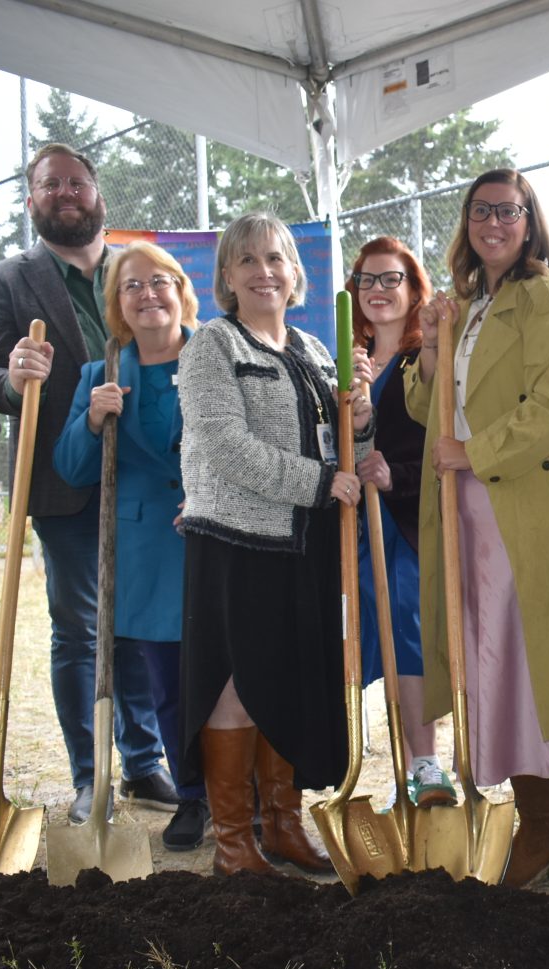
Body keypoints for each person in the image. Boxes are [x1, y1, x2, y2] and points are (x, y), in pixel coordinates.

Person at [406, 169, 549, 888]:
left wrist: (476, 452)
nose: (492, 223)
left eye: (508, 211)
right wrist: (431, 349)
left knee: (521, 660)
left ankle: (547, 818)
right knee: (492, 660)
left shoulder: (548, 296)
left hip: (528, 503)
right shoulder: (469, 304)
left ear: (530, 221)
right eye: (480, 210)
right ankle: (539, 814)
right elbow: (429, 409)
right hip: (475, 506)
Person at [0, 143, 174, 825]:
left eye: (77, 182)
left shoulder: (136, 269)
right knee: (81, 631)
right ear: (31, 199)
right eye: (50, 184)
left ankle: (144, 763)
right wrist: (14, 376)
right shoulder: (8, 279)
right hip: (65, 480)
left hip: (145, 476)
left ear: (98, 194)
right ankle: (92, 776)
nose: (65, 192)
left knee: (138, 625)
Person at [177, 212, 376, 876]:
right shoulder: (213, 345)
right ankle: (234, 842)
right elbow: (224, 446)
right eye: (247, 260)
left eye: (275, 259)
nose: (263, 271)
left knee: (288, 681)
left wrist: (362, 420)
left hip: (304, 544)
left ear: (296, 273)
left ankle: (284, 825)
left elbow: (348, 455)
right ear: (226, 277)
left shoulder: (317, 351)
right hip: (237, 543)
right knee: (236, 686)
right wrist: (318, 483)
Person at [51, 242, 208, 851]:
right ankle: (192, 794)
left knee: (228, 679)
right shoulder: (101, 375)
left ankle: (242, 794)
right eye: (132, 285)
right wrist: (92, 421)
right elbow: (70, 468)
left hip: (216, 541)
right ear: (116, 304)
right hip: (145, 555)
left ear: (182, 290)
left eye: (160, 280)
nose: (148, 294)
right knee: (168, 685)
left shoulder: (216, 359)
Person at [345, 237, 456, 809]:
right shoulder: (345, 363)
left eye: (392, 279)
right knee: (371, 646)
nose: (378, 290)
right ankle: (394, 770)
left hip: (410, 523)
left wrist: (397, 477)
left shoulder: (426, 358)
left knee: (407, 637)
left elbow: (443, 435)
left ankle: (424, 764)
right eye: (367, 280)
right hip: (358, 528)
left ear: (415, 290)